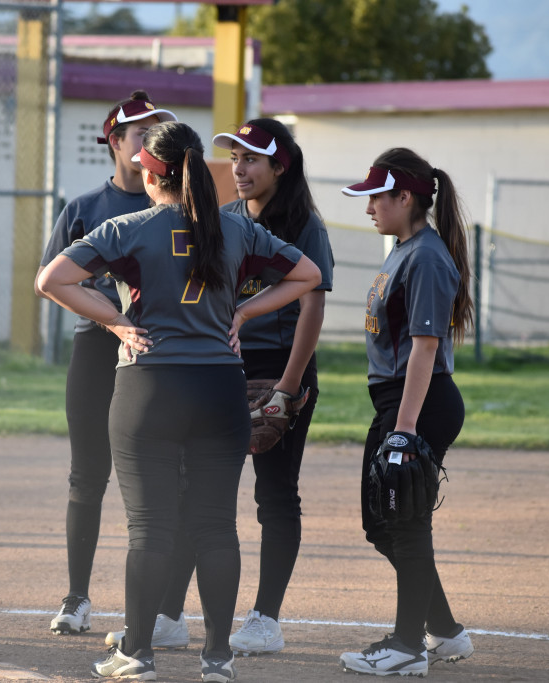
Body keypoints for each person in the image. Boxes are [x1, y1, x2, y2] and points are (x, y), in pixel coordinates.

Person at [37, 121, 321, 682]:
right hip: (219, 386)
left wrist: (119, 323)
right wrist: (240, 313)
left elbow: (52, 280)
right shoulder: (233, 229)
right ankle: (217, 658)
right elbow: (307, 275)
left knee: (150, 528)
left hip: (150, 386)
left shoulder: (129, 227)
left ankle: (137, 654)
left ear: (152, 172)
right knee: (217, 525)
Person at [106, 119, 335, 655]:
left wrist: (289, 384)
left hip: (281, 364)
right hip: (221, 371)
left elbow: (312, 300)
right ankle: (168, 613)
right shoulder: (223, 217)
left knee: (275, 494)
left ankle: (265, 618)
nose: (240, 168)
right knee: (197, 496)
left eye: (253, 158)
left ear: (281, 166)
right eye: (235, 157)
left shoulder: (304, 225)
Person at [34, 90, 177, 636]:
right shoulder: (86, 208)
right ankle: (77, 597)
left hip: (159, 352)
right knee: (88, 473)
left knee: (163, 477)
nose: (148, 142)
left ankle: (162, 608)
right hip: (97, 349)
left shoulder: (173, 204)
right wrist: (110, 316)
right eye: (140, 133)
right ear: (116, 143)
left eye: (156, 132)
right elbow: (49, 281)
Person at [336, 148, 476, 676]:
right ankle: (444, 631)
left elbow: (423, 348)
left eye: (378, 195)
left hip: (418, 401)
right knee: (383, 523)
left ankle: (406, 647)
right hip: (400, 401)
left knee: (404, 521)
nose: (369, 205)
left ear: (406, 197)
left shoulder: (427, 257)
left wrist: (404, 431)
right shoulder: (404, 249)